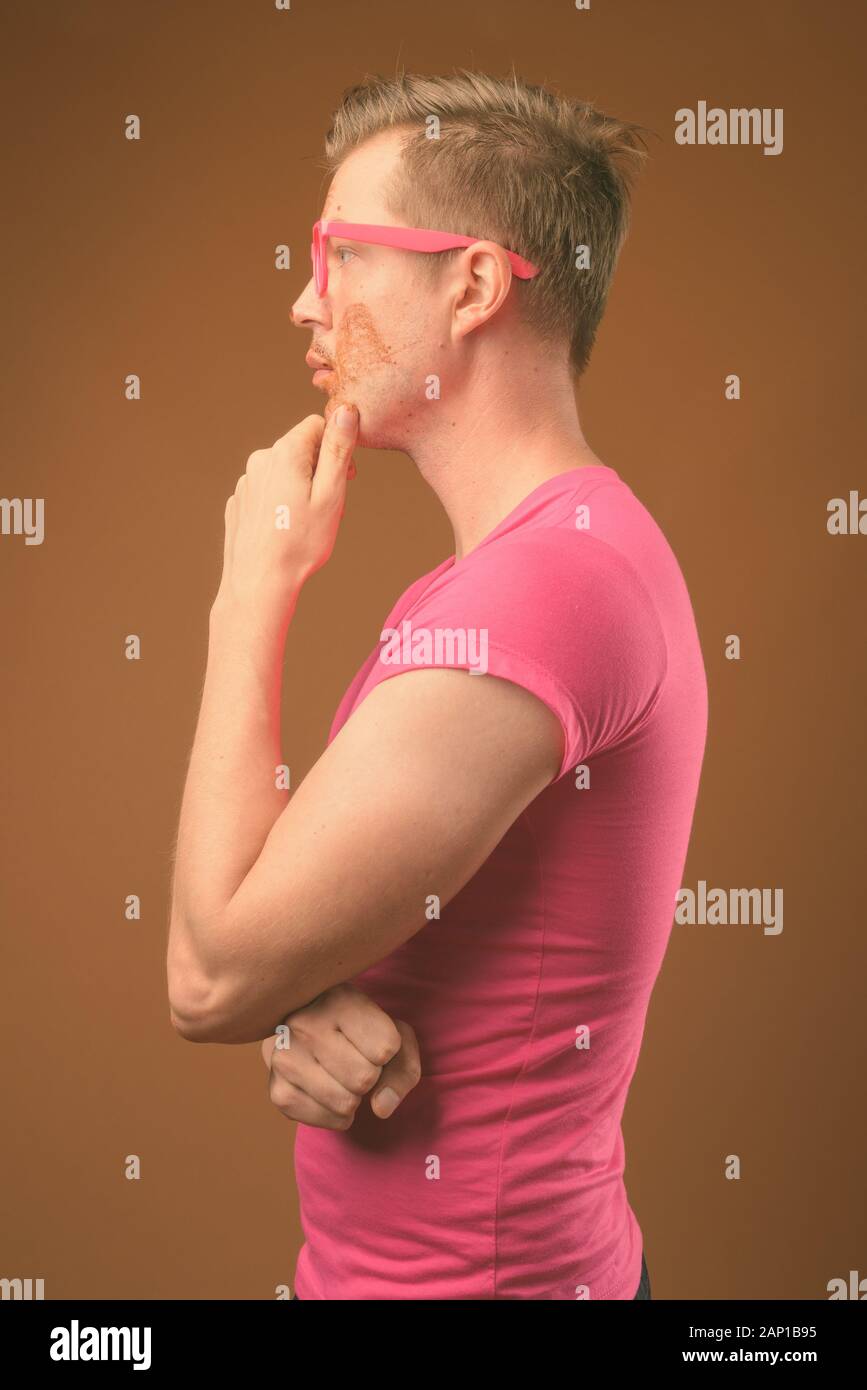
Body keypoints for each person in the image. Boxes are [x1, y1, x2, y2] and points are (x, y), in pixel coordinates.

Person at [167, 68, 708, 1301]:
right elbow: (293, 953)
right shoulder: (526, 573)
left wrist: (250, 589)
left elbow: (207, 972)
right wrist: (301, 1011)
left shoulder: (546, 593)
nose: (306, 301)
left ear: (470, 284)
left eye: (345, 254)